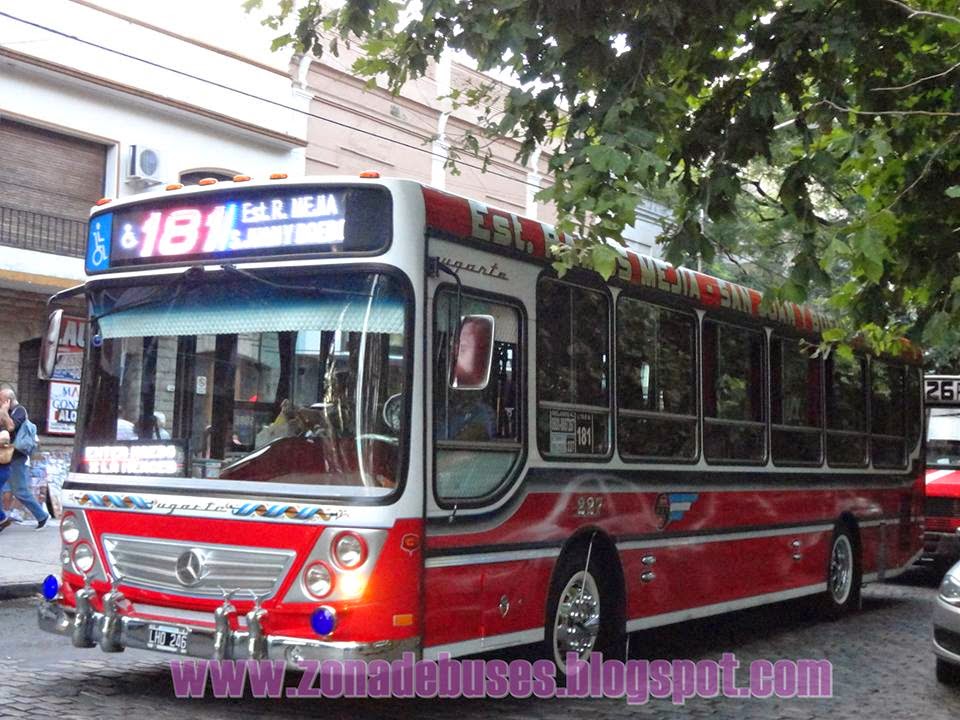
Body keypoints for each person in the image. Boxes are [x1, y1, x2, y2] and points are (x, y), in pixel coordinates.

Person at [0, 388, 49, 530]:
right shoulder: (6, 411)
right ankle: (1, 518)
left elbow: (10, 427)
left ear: (8, 400)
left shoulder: (19, 411)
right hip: (4, 455)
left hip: (16, 456)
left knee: (19, 490)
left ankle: (42, 515)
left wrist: (4, 411)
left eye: (1, 399)